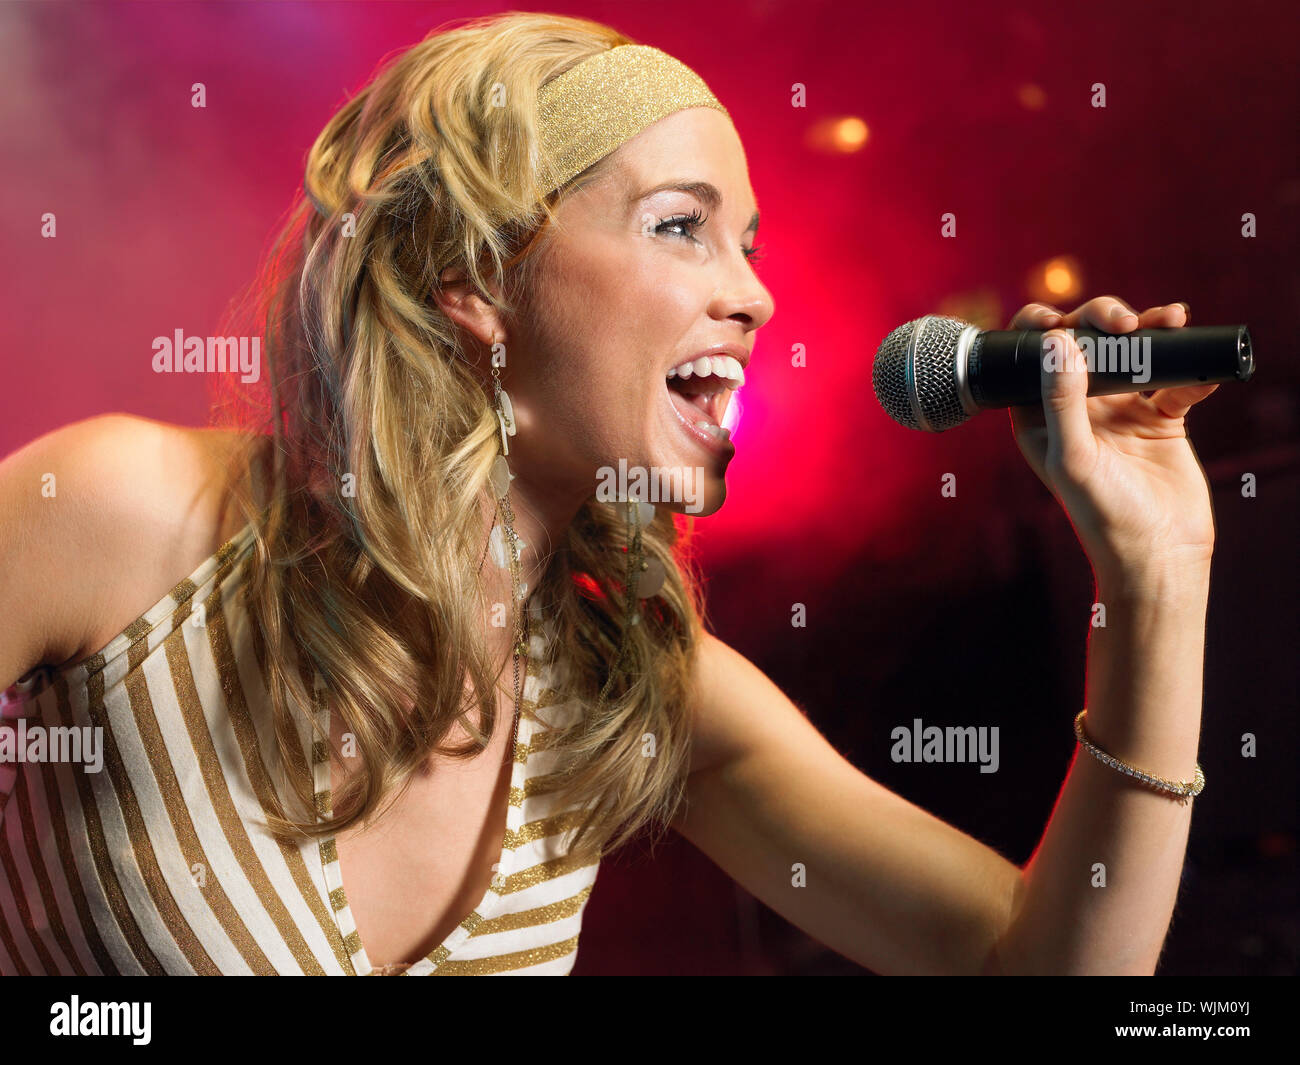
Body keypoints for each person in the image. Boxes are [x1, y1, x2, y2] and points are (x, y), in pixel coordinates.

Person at [0, 11, 1218, 976]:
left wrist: (1157, 576)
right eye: (681, 226)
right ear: (470, 274)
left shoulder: (638, 686)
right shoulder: (117, 511)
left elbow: (1049, 970)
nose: (755, 296)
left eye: (749, 243)